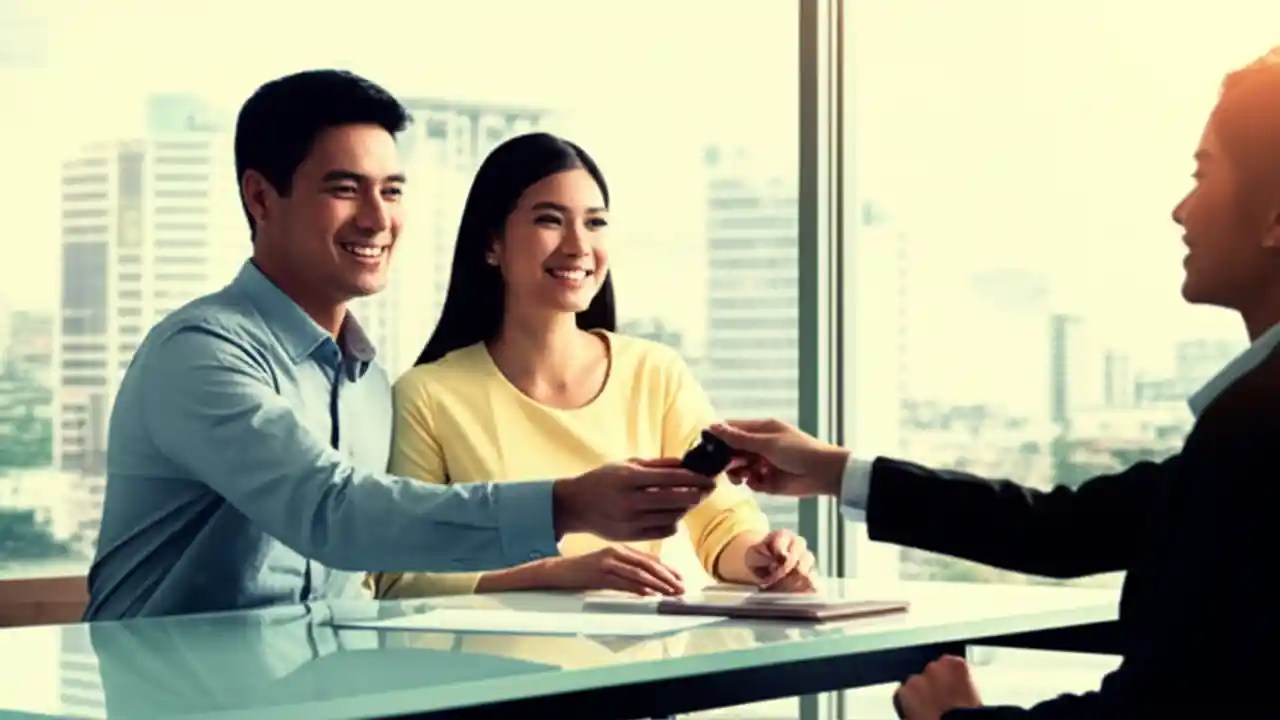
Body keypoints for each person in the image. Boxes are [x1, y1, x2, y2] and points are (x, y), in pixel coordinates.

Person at [705, 47, 1280, 719]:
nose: (1181, 210)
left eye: (1203, 175)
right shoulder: (1245, 428)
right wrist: (835, 471)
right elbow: (1062, 528)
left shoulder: (1256, 436)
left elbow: (1177, 701)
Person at [83, 71, 718, 622]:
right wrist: (566, 505)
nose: (377, 217)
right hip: (178, 699)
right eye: (344, 188)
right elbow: (336, 515)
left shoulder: (363, 380)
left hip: (322, 694)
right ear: (260, 197)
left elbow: (369, 582)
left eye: (391, 190)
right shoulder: (201, 355)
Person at [368, 132, 817, 601]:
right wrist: (559, 573)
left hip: (640, 663)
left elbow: (722, 522)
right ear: (492, 244)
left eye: (595, 223)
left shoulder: (655, 373)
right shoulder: (426, 396)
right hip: (490, 670)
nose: (578, 245)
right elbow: (403, 579)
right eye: (549, 220)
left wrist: (762, 558)